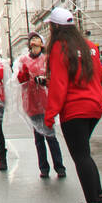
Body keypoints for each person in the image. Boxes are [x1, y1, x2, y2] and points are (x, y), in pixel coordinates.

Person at [43, 7, 102, 203]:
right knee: (85, 153)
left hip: (75, 109)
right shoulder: (89, 46)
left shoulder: (60, 48)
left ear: (54, 27)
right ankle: (100, 197)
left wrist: (50, 115)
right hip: (95, 107)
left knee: (80, 156)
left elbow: (59, 85)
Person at [15, 33, 66, 179]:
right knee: (38, 138)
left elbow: (54, 77)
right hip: (31, 102)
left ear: (42, 44)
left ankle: (59, 167)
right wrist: (23, 74)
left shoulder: (47, 59)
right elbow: (21, 80)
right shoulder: (23, 60)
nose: (33, 40)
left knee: (50, 135)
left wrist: (45, 81)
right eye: (31, 39)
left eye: (37, 38)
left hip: (46, 102)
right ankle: (44, 168)